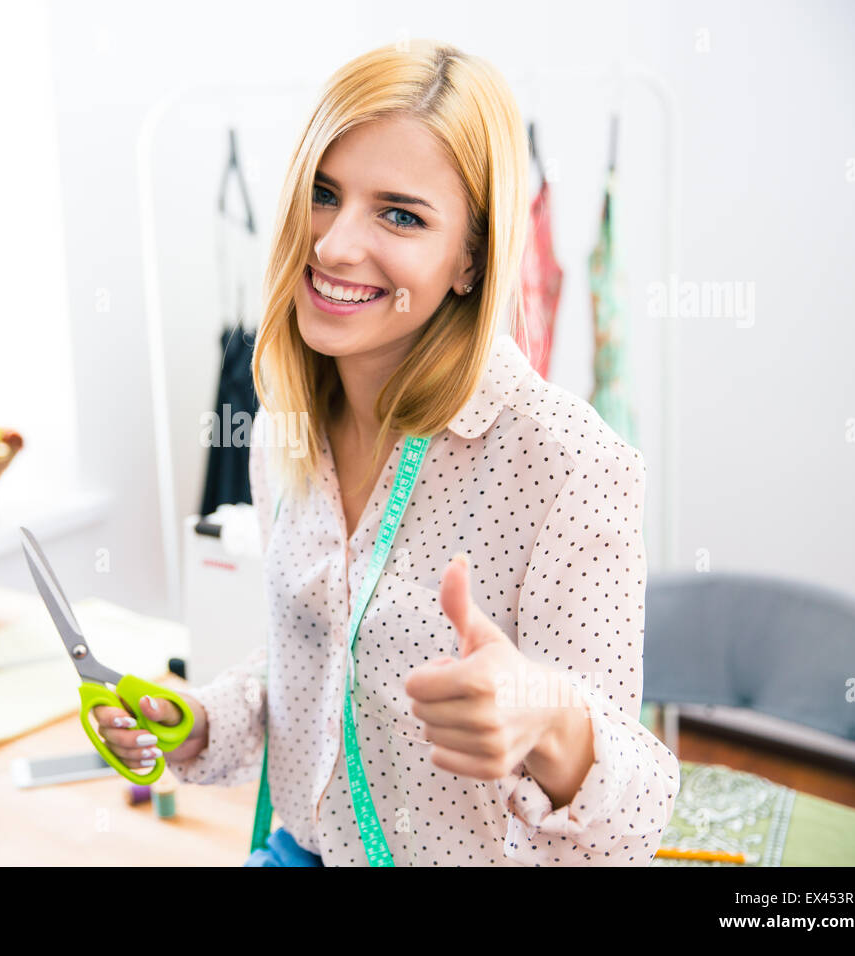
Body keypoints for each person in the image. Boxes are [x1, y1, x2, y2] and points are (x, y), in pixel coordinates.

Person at [94, 39, 680, 866]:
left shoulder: (567, 464)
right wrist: (199, 721)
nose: (332, 247)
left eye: (400, 214)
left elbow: (638, 822)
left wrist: (550, 721)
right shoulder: (284, 428)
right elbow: (319, 661)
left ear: (470, 260)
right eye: (323, 195)